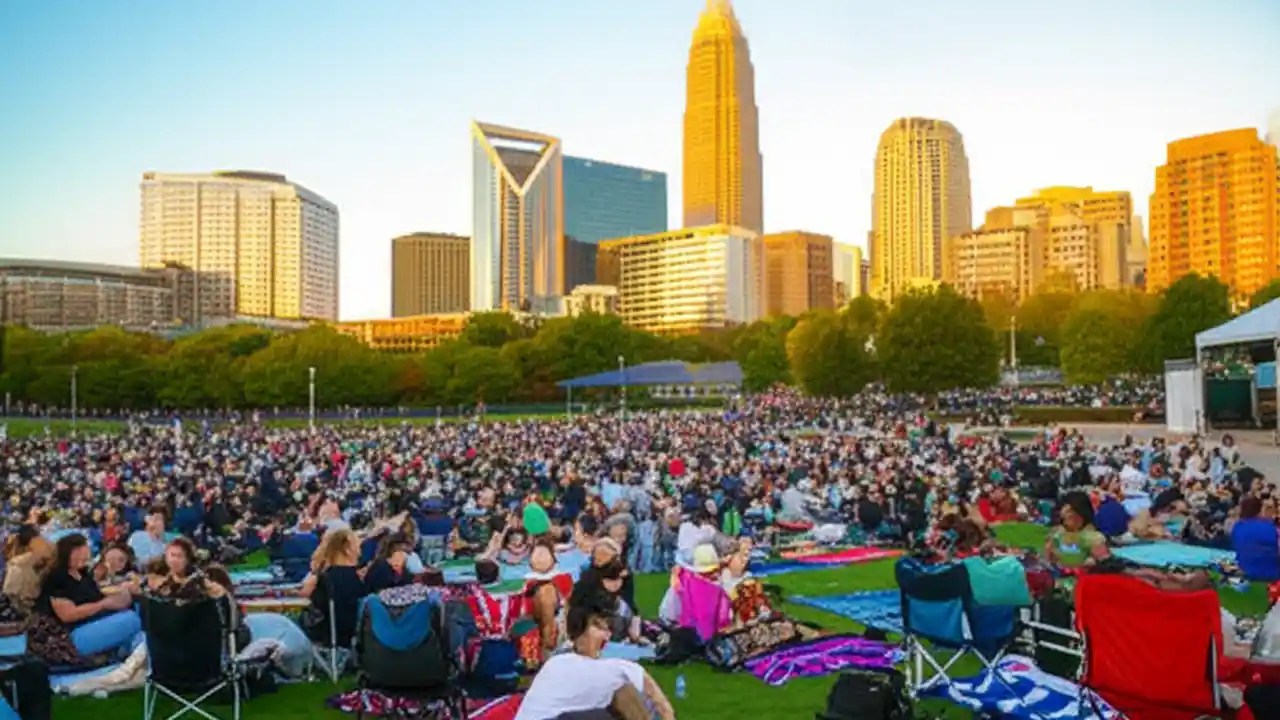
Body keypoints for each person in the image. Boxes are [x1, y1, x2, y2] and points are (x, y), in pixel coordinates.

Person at [515, 593, 675, 720]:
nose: (606, 635)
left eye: (607, 629)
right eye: (598, 627)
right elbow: (657, 699)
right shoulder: (609, 670)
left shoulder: (556, 664)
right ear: (580, 631)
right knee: (623, 692)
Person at [26, 533, 140, 666]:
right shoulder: (57, 578)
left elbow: (96, 595)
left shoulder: (82, 574)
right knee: (132, 620)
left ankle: (124, 658)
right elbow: (68, 615)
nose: (85, 556)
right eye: (80, 552)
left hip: (89, 624)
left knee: (136, 610)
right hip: (68, 636)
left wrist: (120, 596)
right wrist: (103, 605)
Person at [298, 528, 365, 646]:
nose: (360, 550)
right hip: (354, 634)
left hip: (327, 635)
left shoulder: (326, 577)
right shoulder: (358, 579)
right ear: (347, 549)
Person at [1044, 492, 1110, 569]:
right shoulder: (1055, 533)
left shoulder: (1093, 537)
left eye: (1071, 511)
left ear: (1082, 514)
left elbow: (1105, 561)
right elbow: (1047, 559)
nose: (1067, 516)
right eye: (1065, 513)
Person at [1231, 495, 1280, 581]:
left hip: (1245, 573)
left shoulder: (1237, 527)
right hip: (1271, 576)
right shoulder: (1271, 529)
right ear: (1260, 510)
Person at [127, 506, 169, 570]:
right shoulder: (135, 536)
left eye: (158, 519)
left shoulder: (170, 540)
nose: (154, 522)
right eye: (153, 518)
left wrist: (158, 536)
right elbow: (128, 556)